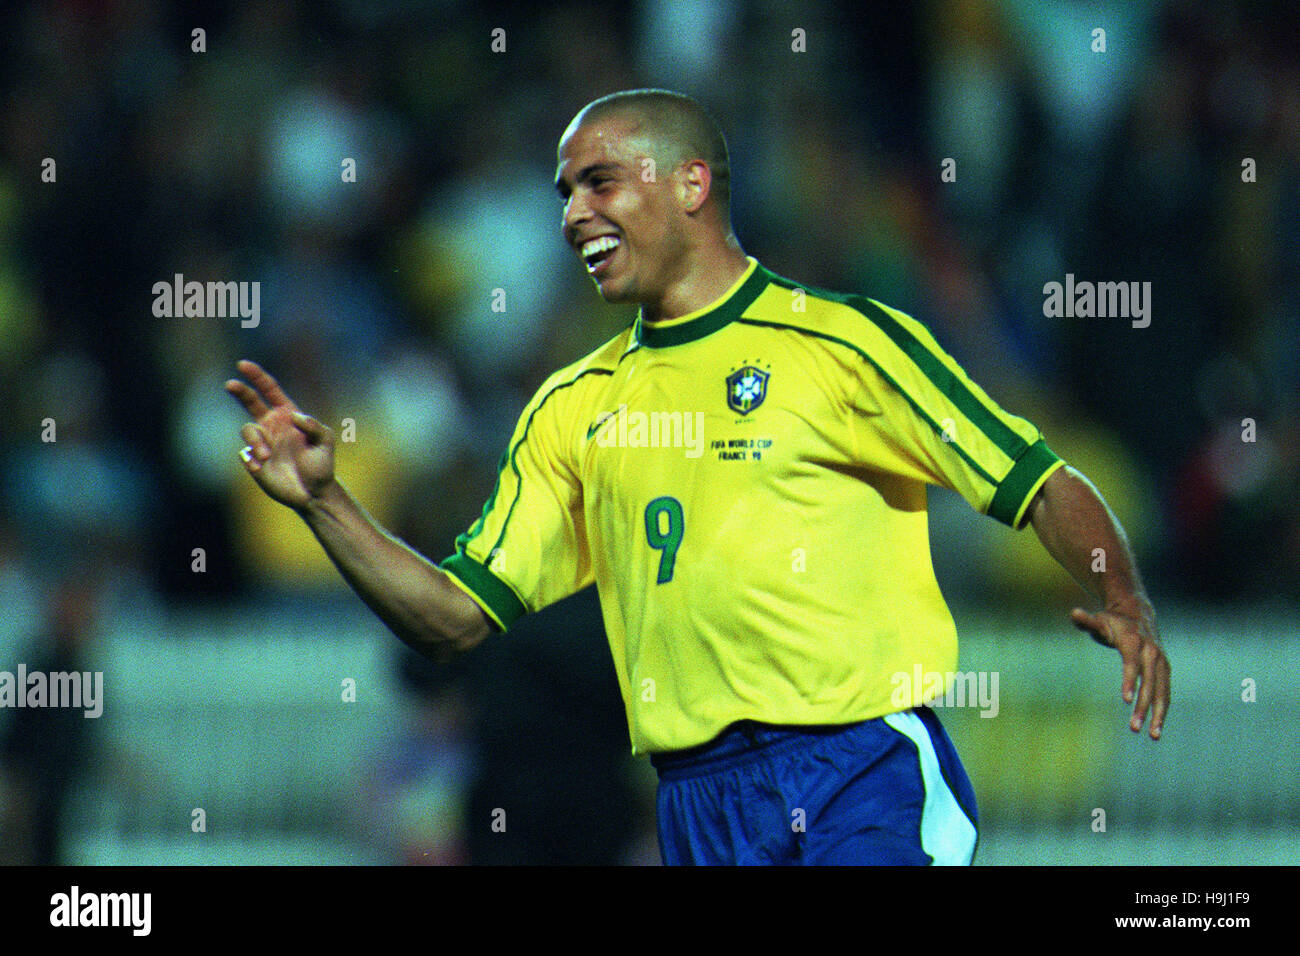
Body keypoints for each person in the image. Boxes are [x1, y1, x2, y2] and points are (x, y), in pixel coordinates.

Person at [226, 88, 1170, 865]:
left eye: (598, 183)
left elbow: (1037, 478)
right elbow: (453, 616)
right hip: (696, 805)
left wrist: (1122, 597)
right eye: (564, 193)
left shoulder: (843, 344)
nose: (572, 216)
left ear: (690, 183)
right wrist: (323, 503)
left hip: (860, 772)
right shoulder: (571, 407)